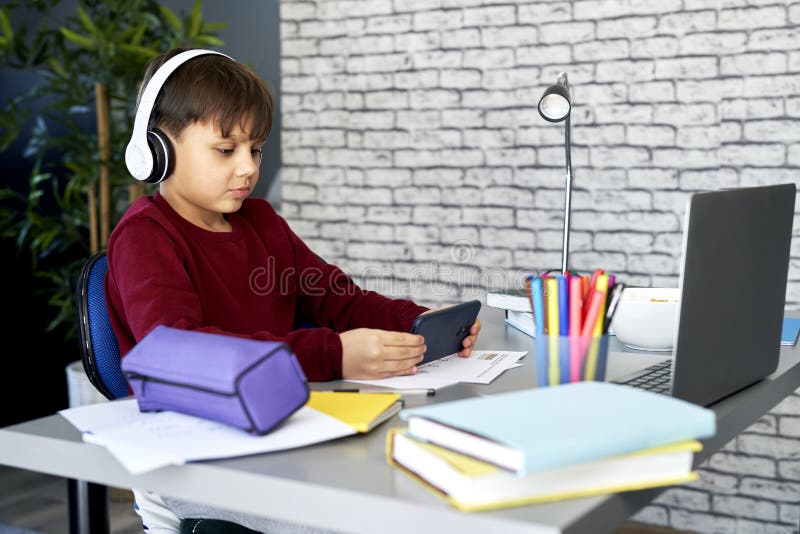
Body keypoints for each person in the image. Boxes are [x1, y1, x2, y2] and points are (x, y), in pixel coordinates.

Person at [106, 48, 480, 533]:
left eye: (255, 149)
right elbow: (184, 355)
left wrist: (418, 321)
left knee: (421, 491)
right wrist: (334, 355)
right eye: (226, 150)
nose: (248, 168)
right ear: (158, 148)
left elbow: (338, 299)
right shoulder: (145, 237)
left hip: (281, 433)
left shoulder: (260, 221)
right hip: (195, 459)